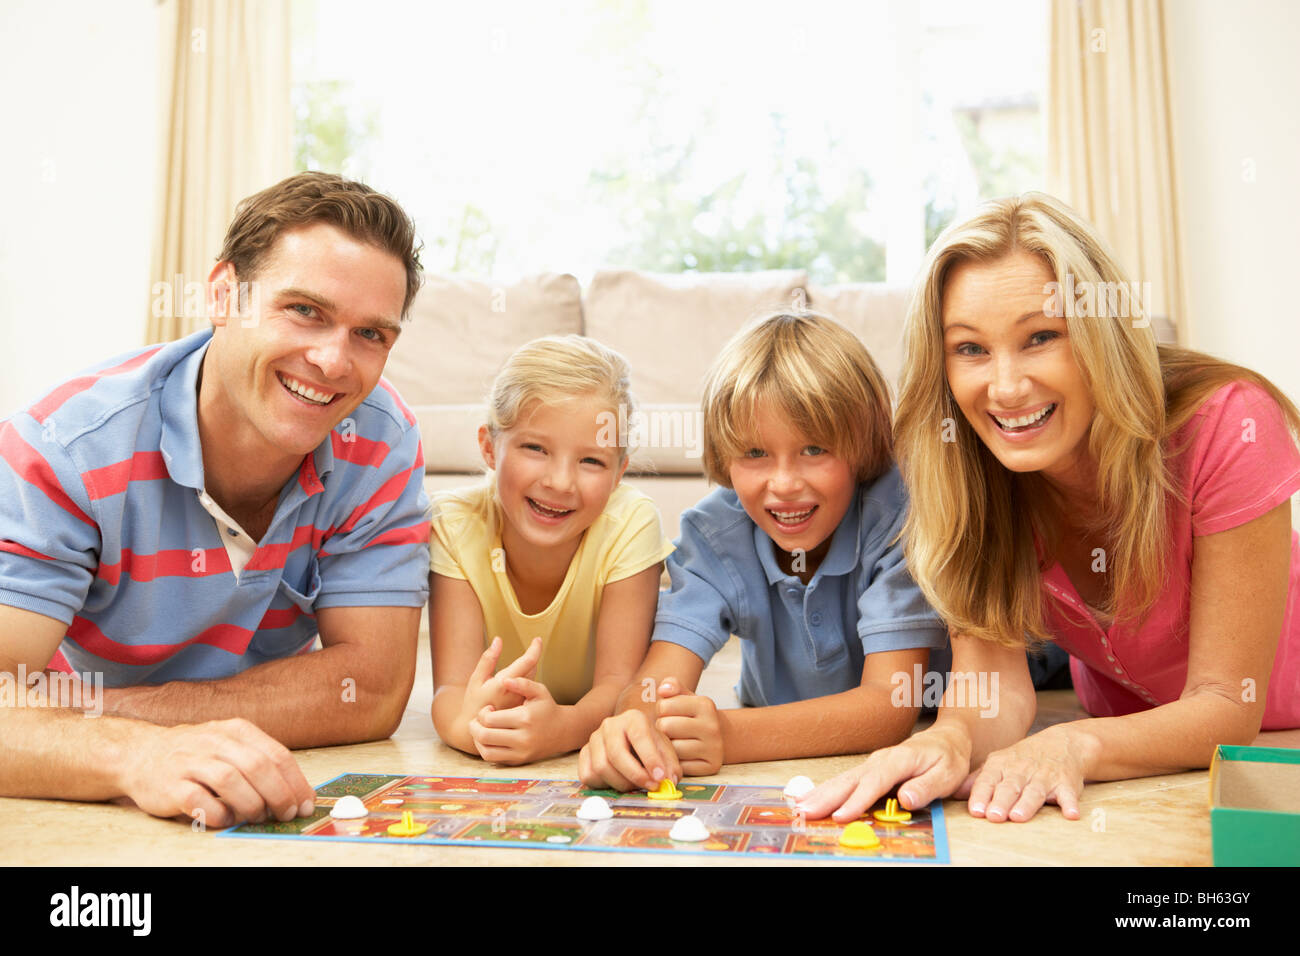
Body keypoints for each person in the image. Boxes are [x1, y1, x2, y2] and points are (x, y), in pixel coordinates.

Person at [802, 192, 1300, 825]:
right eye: (971, 349)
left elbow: (1228, 702)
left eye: (1041, 338)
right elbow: (996, 688)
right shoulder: (965, 464)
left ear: (1100, 335)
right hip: (1131, 731)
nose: (1005, 388)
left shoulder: (1228, 423)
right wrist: (949, 737)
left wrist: (1071, 743)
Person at [0, 172, 432, 827]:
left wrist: (106, 717)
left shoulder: (379, 440)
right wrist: (131, 754)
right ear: (224, 295)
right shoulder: (66, 448)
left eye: (370, 334)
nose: (333, 361)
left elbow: (369, 688)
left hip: (140, 742)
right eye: (305, 310)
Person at [579, 312, 948, 791]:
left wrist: (729, 736)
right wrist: (630, 725)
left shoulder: (899, 518)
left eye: (814, 449)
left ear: (862, 444)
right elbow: (657, 684)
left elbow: (892, 706)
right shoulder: (714, 536)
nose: (785, 484)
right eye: (754, 454)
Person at [429, 335, 673, 764]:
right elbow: (452, 688)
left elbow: (619, 686)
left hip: (583, 714)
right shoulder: (455, 524)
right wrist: (472, 729)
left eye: (591, 461)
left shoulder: (630, 523)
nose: (560, 482)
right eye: (535, 449)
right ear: (489, 446)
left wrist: (561, 731)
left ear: (619, 473)